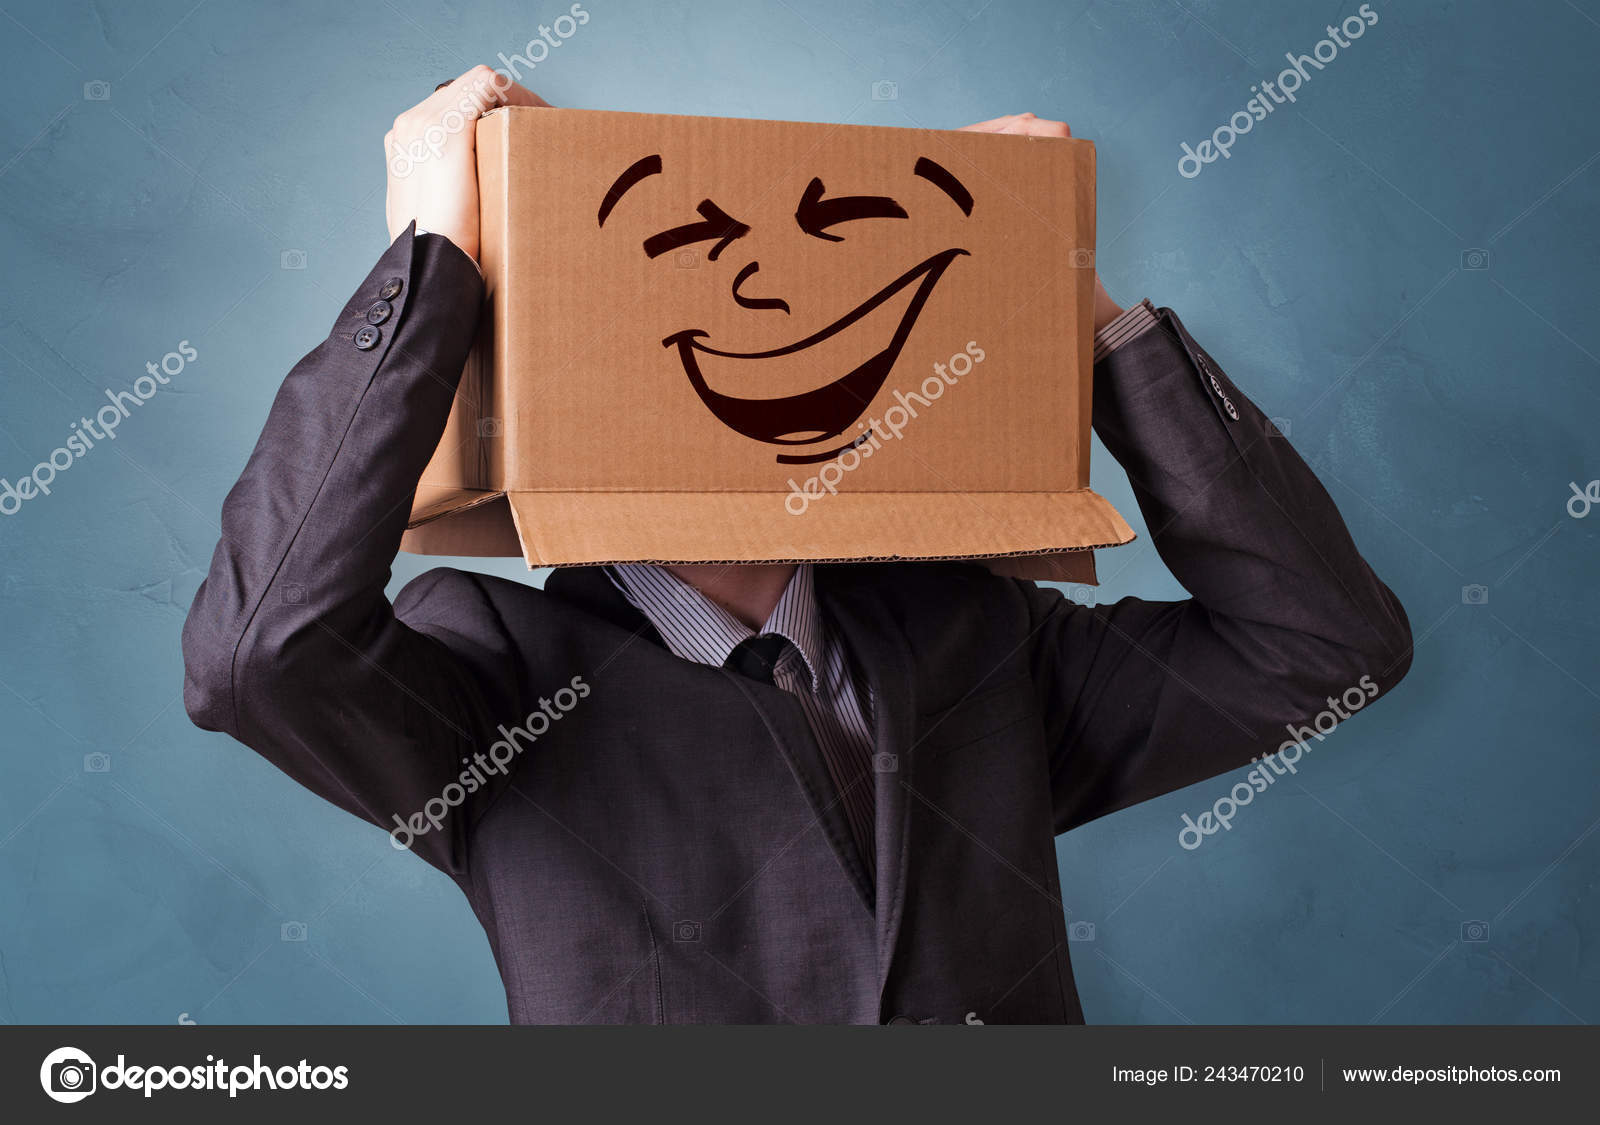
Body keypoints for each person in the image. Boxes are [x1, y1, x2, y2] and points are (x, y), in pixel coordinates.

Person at [181, 68, 1412, 1024]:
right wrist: (438, 266)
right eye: (680, 260)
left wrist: (1066, 297)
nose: (771, 296)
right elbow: (255, 660)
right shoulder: (489, 674)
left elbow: (1322, 644)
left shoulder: (978, 639)